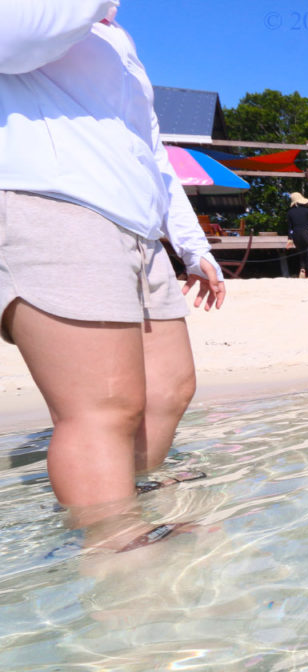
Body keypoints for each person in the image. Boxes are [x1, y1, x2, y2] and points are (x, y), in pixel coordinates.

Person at [0, 1, 226, 550]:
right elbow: (10, 39)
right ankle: (117, 550)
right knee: (101, 405)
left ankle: (126, 498)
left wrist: (192, 246)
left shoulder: (115, 38)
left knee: (170, 388)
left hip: (139, 228)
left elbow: (152, 152)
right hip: (52, 202)